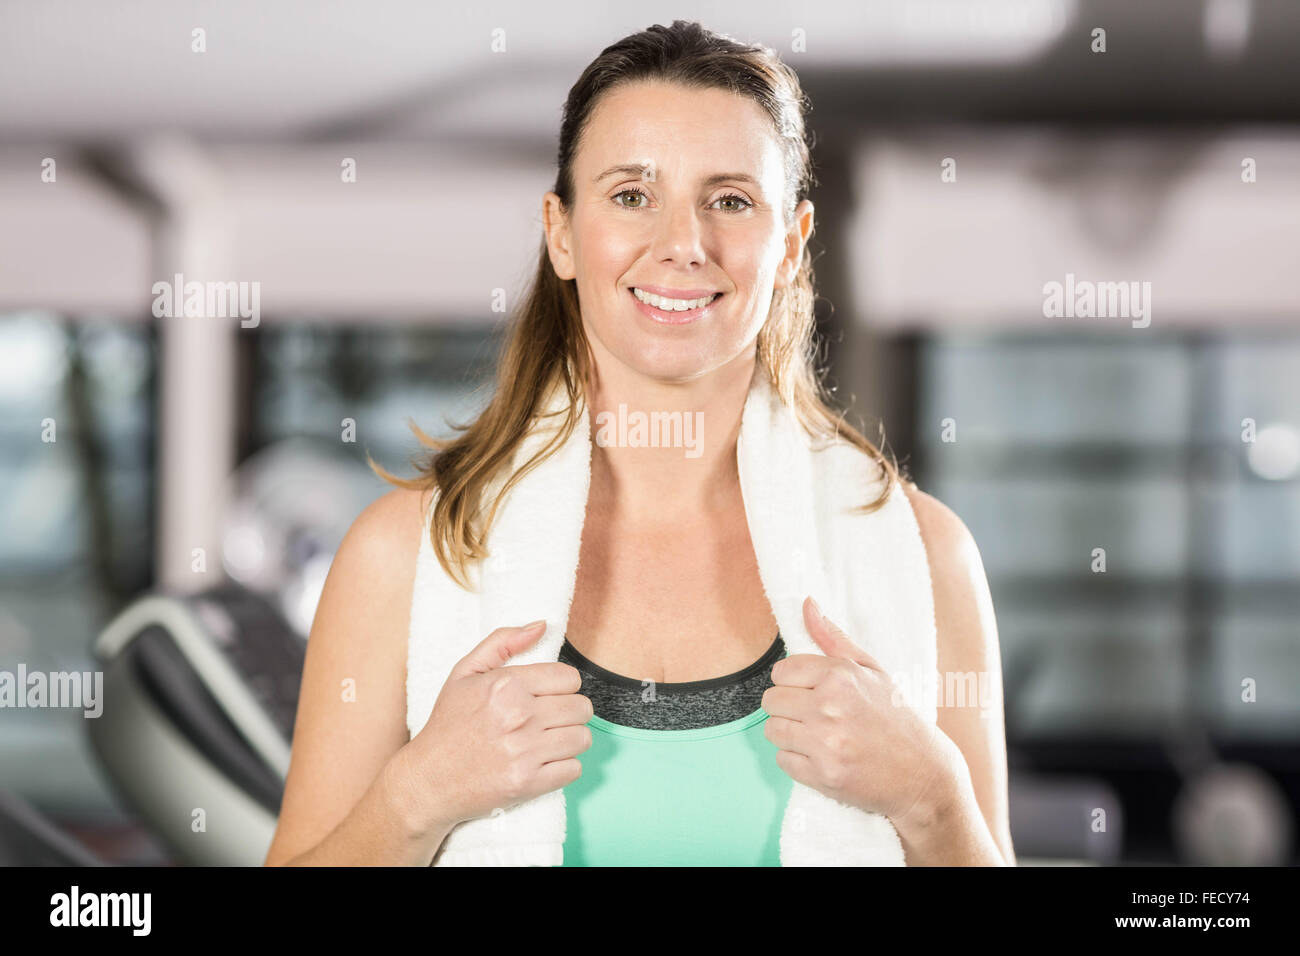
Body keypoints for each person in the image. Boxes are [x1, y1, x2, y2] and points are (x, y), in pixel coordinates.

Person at [264, 20, 1014, 866]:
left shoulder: (928, 556)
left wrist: (933, 799)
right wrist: (415, 799)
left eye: (729, 200)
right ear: (560, 232)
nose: (682, 245)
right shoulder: (402, 557)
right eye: (631, 195)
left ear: (794, 247)